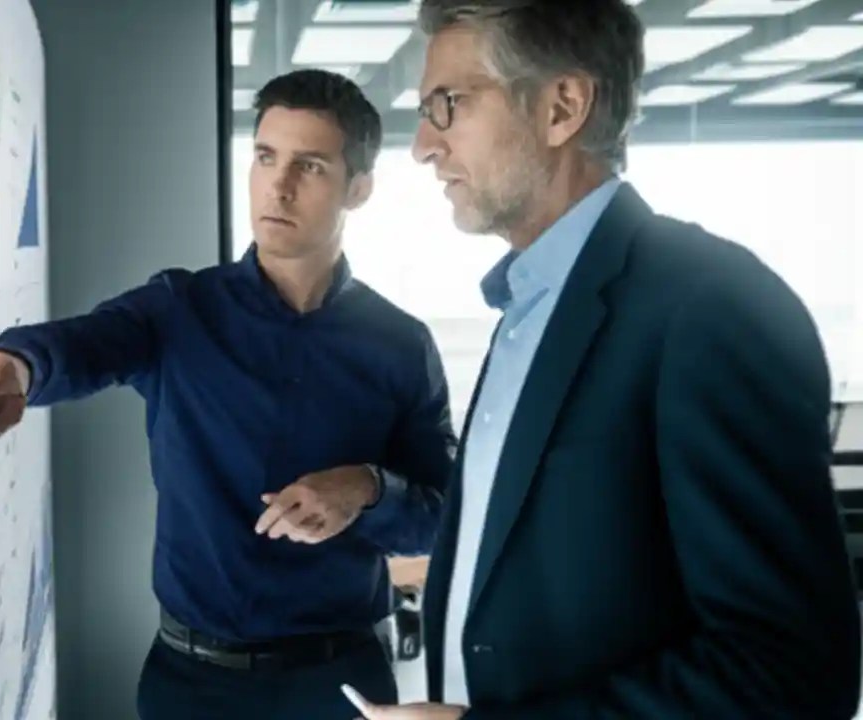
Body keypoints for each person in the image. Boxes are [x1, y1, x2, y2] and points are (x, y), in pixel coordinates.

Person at [351, 1, 861, 718]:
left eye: (447, 104)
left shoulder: (711, 308)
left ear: (562, 107)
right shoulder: (528, 309)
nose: (423, 147)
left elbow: (789, 673)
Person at [0, 69, 458, 719]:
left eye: (311, 166)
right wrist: (16, 365)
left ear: (358, 189)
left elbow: (444, 516)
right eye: (266, 157)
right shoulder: (179, 309)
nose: (279, 185)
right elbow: (84, 345)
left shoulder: (401, 346)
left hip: (341, 683)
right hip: (192, 687)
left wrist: (366, 488)